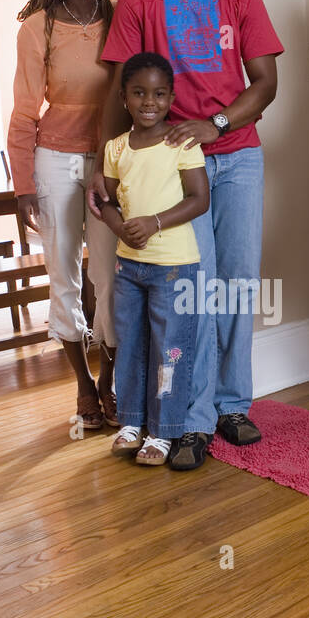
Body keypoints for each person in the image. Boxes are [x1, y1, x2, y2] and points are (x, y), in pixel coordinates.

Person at [88, 0, 284, 471]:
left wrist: (216, 125)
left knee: (236, 285)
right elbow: (113, 88)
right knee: (193, 294)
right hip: (169, 173)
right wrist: (104, 164)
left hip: (238, 158)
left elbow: (266, 83)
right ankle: (194, 421)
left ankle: (231, 403)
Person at [8, 0, 119, 430]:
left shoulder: (120, 18)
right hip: (54, 159)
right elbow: (25, 114)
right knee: (64, 277)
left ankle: (110, 382)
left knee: (111, 276)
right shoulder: (37, 28)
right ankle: (81, 385)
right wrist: (24, 185)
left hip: (111, 162)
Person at [100, 52, 210, 465]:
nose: (150, 102)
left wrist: (154, 223)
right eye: (139, 93)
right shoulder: (115, 148)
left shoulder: (181, 143)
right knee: (130, 344)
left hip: (175, 267)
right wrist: (120, 226)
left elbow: (200, 199)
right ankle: (131, 422)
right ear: (125, 97)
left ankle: (164, 433)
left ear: (171, 97)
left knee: (169, 351)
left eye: (159, 94)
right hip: (128, 267)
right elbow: (106, 202)